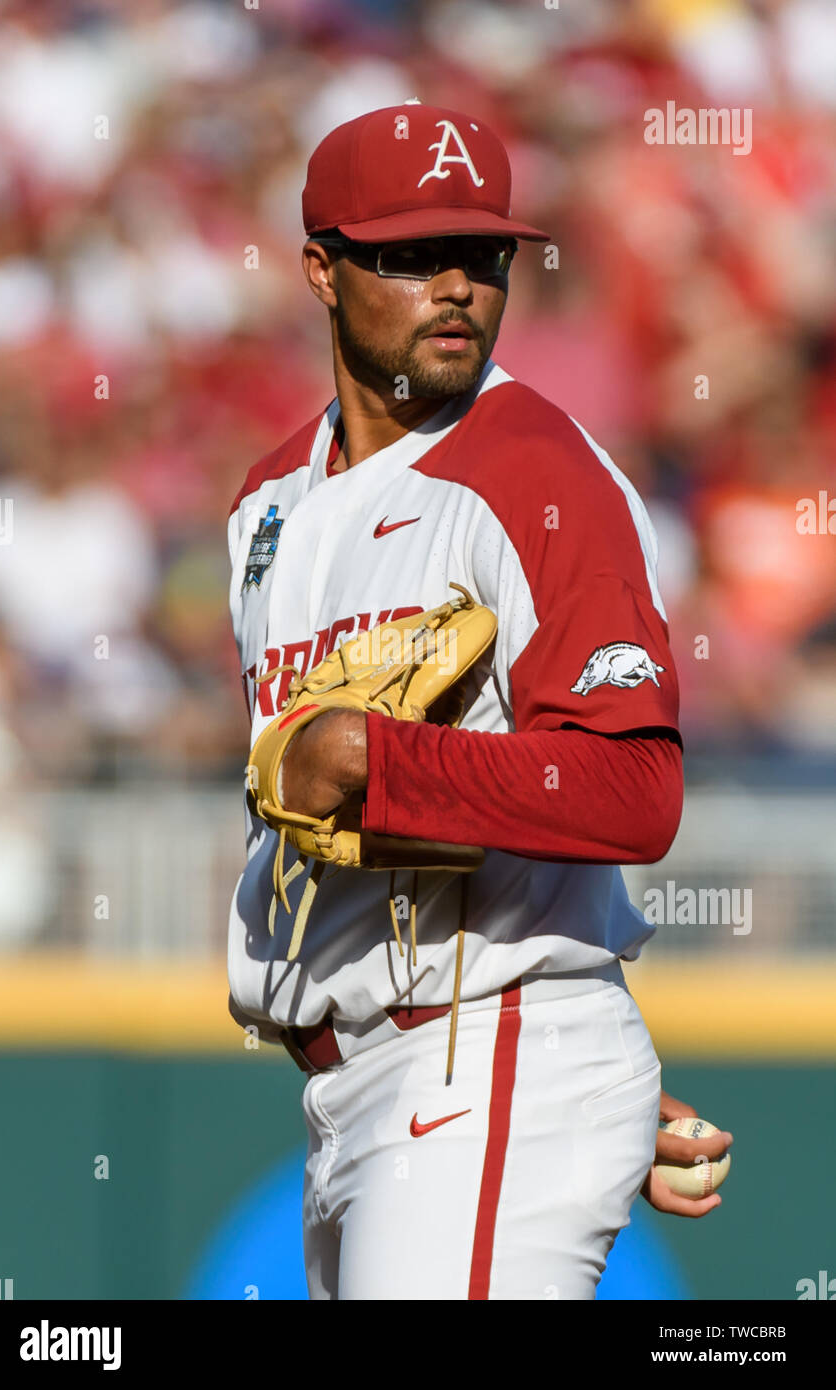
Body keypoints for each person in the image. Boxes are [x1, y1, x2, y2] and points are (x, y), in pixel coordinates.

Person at [226, 102, 733, 1301]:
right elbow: (310, 816)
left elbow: (634, 788)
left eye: (483, 255)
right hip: (382, 1079)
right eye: (411, 255)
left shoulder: (539, 475)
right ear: (322, 270)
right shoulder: (265, 506)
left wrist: (551, 1053)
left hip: (482, 1056)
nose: (455, 285)